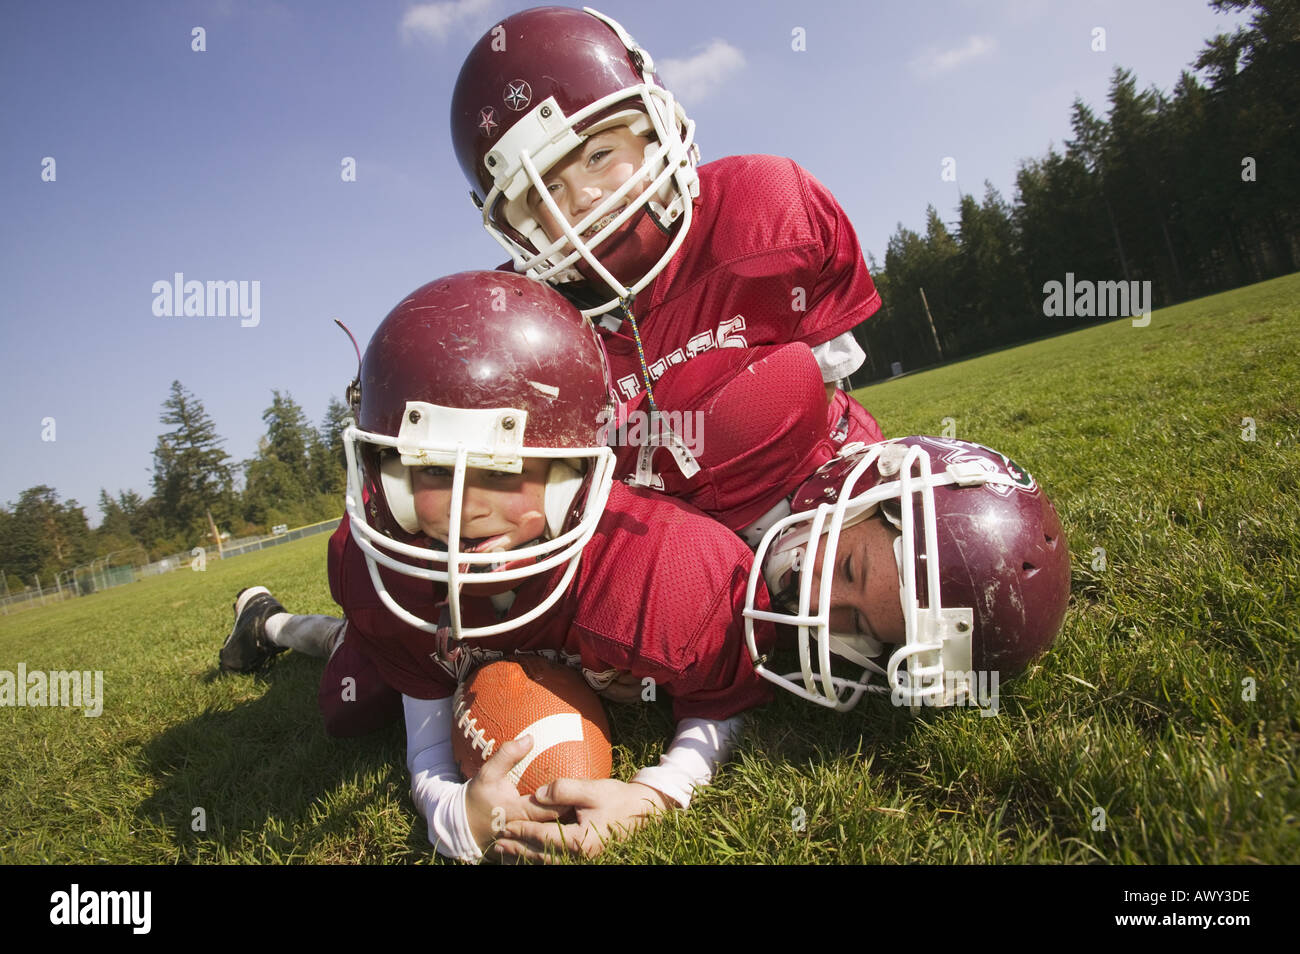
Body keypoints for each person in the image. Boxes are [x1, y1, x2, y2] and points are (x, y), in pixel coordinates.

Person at [222, 271, 776, 863]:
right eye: (434, 470)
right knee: (355, 700)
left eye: (503, 468)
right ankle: (269, 623)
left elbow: (722, 694)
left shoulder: (667, 567)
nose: (468, 505)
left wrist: (659, 791)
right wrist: (449, 812)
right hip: (428, 645)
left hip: (480, 636)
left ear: (574, 474)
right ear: (390, 477)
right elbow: (429, 749)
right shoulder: (389, 570)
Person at [449, 5, 885, 452]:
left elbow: (826, 383)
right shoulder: (523, 324)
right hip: (664, 517)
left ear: (656, 133)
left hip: (822, 473)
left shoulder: (762, 205)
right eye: (551, 189)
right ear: (523, 226)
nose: (582, 198)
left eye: (598, 157)